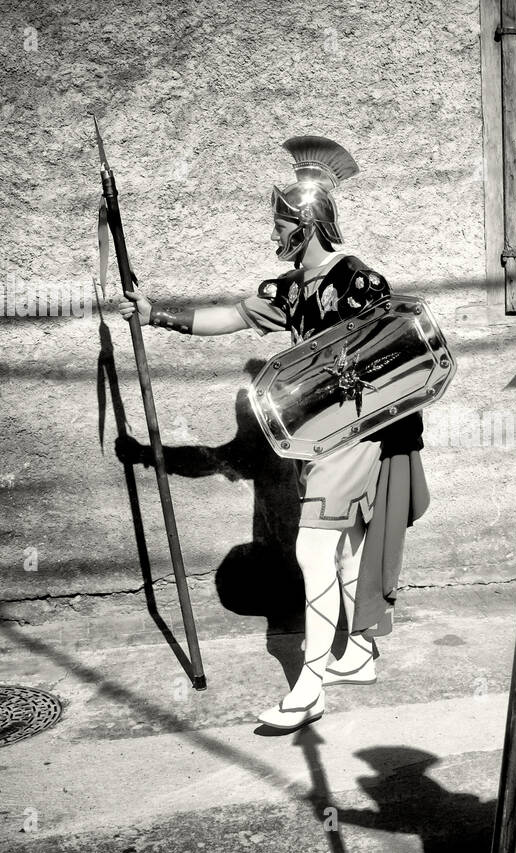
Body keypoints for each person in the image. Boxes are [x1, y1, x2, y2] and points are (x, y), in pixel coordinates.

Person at [120, 136, 428, 733]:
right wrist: (155, 311)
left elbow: (391, 357)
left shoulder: (359, 282)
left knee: (313, 550)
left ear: (306, 222)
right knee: (341, 553)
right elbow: (230, 318)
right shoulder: (291, 290)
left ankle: (309, 688)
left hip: (357, 437)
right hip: (318, 439)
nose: (273, 237)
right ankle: (358, 653)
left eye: (280, 224)